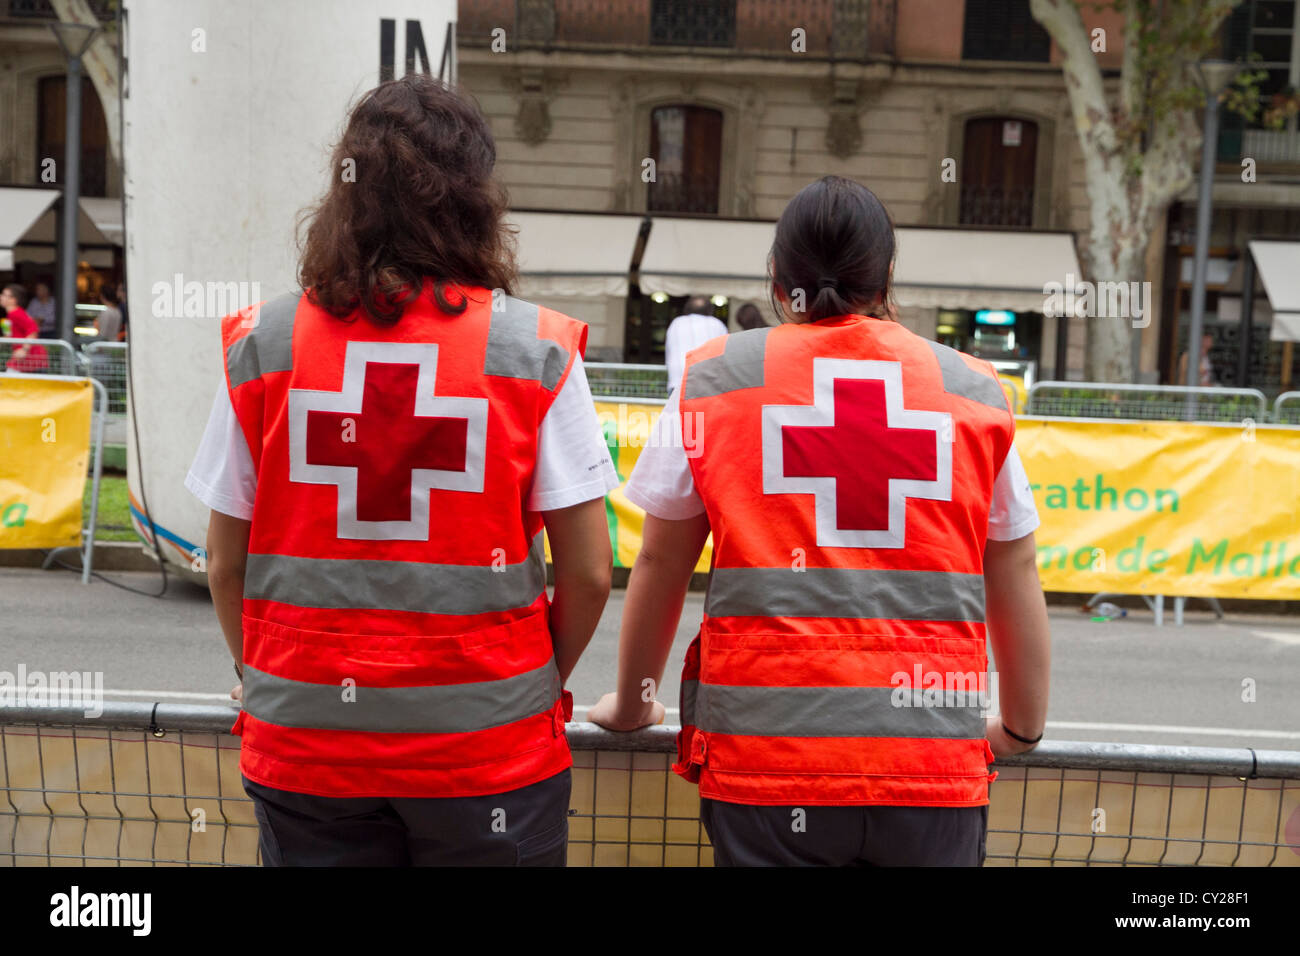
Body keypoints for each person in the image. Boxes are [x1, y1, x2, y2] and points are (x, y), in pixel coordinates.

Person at [184, 74, 618, 866]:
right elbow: (589, 571)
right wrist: (526, 689)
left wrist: (267, 678)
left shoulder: (262, 344)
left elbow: (225, 562)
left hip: (310, 751)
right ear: (475, 199)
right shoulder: (535, 351)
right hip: (487, 755)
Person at [589, 176, 1052, 867]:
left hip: (768, 768)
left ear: (779, 276)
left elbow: (659, 563)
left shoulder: (712, 380)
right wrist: (1020, 727)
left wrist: (634, 703)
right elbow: (1013, 566)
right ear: (888, 274)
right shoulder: (973, 390)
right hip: (928, 772)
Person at [664, 294, 727, 392]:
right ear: (710, 309)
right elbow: (724, 355)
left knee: (678, 408)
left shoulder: (676, 323)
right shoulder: (717, 324)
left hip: (678, 383)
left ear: (687, 308)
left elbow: (669, 353)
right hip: (708, 384)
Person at [1, 283, 49, 373]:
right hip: (25, 359)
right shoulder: (10, 316)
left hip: (31, 358)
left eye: (4, 295)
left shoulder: (16, 314)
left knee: (10, 380)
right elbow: (8, 337)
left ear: (13, 300)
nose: (1, 297)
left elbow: (33, 330)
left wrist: (24, 349)